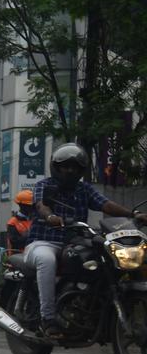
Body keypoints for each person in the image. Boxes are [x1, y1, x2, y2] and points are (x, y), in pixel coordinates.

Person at [24, 143, 147, 338]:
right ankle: (48, 319)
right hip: (43, 242)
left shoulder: (84, 189)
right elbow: (41, 205)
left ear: (81, 170)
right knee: (47, 260)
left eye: (75, 167)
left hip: (75, 242)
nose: (70, 170)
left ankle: (89, 307)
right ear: (56, 167)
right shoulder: (44, 186)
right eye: (65, 166)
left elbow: (105, 204)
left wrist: (133, 214)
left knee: (102, 259)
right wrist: (50, 217)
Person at [6, 190, 33, 254]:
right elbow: (15, 243)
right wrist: (30, 236)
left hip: (32, 254)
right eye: (29, 205)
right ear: (21, 205)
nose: (32, 208)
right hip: (18, 256)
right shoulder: (12, 222)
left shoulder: (34, 219)